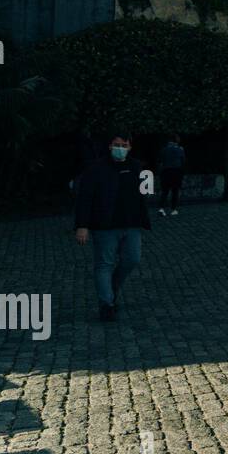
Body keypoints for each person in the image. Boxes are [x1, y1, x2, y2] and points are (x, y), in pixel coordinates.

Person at [74, 130, 151, 322]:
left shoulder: (136, 167)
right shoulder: (96, 168)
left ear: (130, 147)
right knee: (104, 264)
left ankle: (111, 289)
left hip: (131, 224)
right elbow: (84, 198)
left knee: (132, 259)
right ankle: (106, 304)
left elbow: (144, 193)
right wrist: (82, 225)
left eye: (124, 146)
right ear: (110, 146)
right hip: (104, 226)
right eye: (117, 145)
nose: (120, 149)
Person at [157, 134, 186, 217]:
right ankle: (173, 209)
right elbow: (183, 161)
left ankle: (161, 208)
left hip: (166, 171)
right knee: (175, 191)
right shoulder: (180, 150)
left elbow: (160, 161)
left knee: (165, 191)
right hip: (176, 172)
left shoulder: (164, 149)